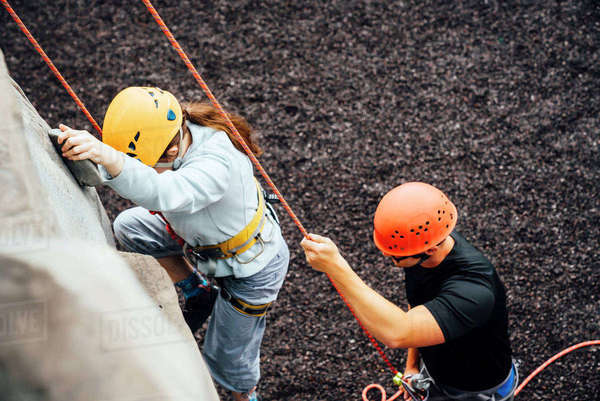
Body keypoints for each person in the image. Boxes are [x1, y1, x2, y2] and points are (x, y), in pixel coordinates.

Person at [57, 86, 289, 401]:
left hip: (251, 268)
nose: (142, 167)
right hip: (204, 240)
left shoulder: (215, 162)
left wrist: (107, 156)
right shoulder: (176, 133)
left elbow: (166, 193)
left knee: (227, 357)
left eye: (146, 163)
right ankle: (199, 292)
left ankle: (246, 396)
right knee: (130, 227)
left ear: (169, 152)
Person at [300, 182, 517, 401]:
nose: (388, 258)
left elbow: (399, 332)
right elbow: (416, 307)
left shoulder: (475, 290)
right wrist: (412, 366)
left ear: (430, 249)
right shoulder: (422, 249)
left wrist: (337, 267)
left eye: (394, 257)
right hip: (438, 371)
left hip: (474, 388)